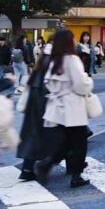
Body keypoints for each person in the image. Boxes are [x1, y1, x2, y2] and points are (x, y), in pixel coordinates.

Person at [33, 29, 94, 188]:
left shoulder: (54, 60)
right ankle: (76, 175)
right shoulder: (72, 59)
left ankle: (46, 164)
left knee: (65, 142)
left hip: (58, 107)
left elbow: (48, 83)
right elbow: (81, 85)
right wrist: (88, 81)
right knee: (79, 143)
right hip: (73, 106)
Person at [16, 39, 52, 182]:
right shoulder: (52, 60)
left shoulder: (42, 61)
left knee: (33, 136)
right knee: (56, 136)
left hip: (34, 103)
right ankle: (40, 166)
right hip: (44, 103)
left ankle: (27, 168)